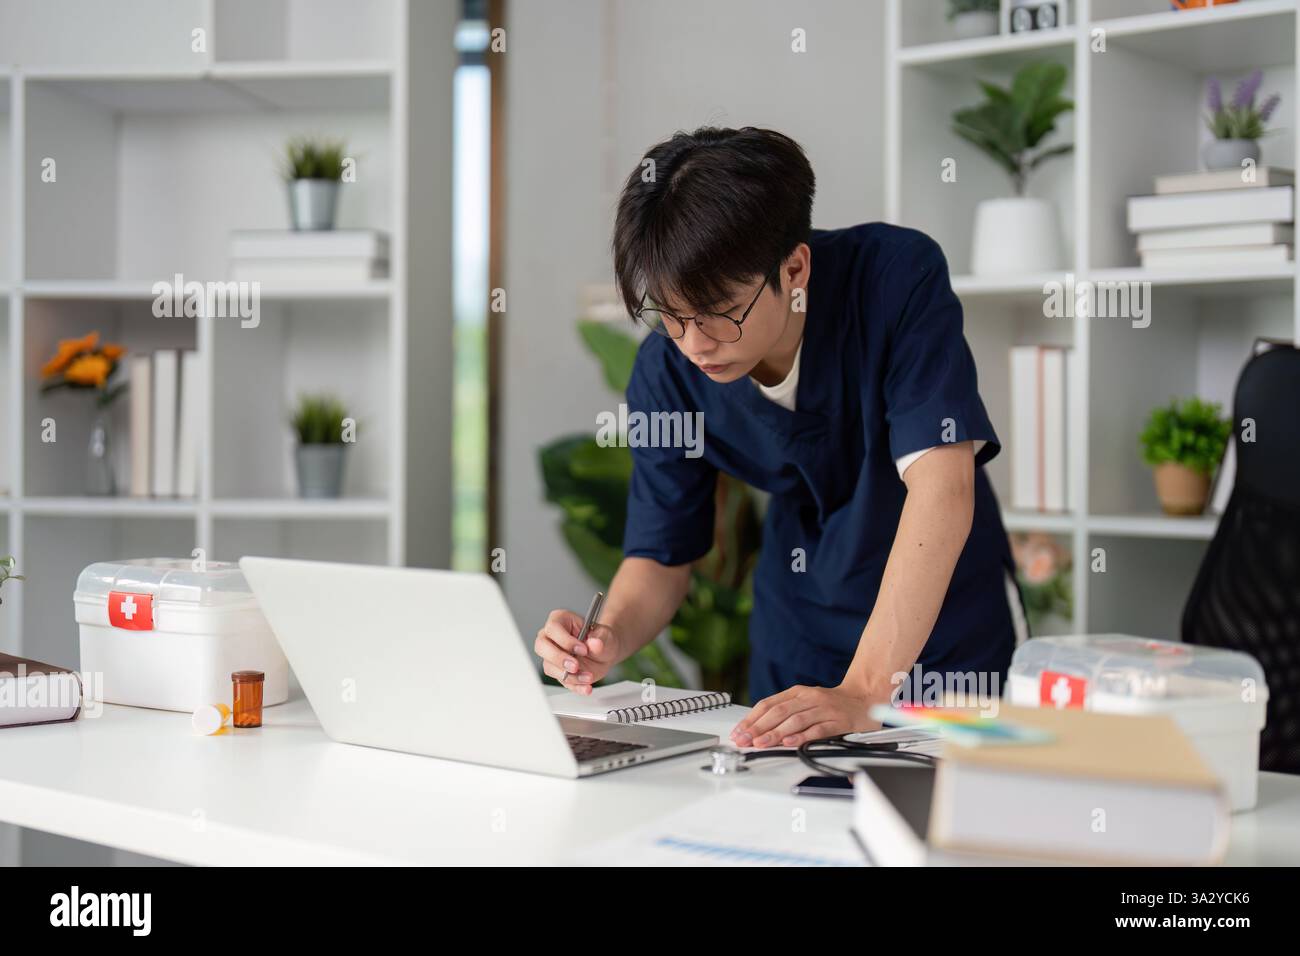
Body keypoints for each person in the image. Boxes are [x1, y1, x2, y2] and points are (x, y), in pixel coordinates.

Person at [535, 126, 1023, 749]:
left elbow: (942, 489)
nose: (695, 342)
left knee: (940, 823)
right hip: (801, 618)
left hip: (942, 626)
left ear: (794, 267)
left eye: (719, 311)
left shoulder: (894, 278)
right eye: (670, 314)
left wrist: (867, 690)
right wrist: (608, 638)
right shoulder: (667, 368)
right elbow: (661, 554)